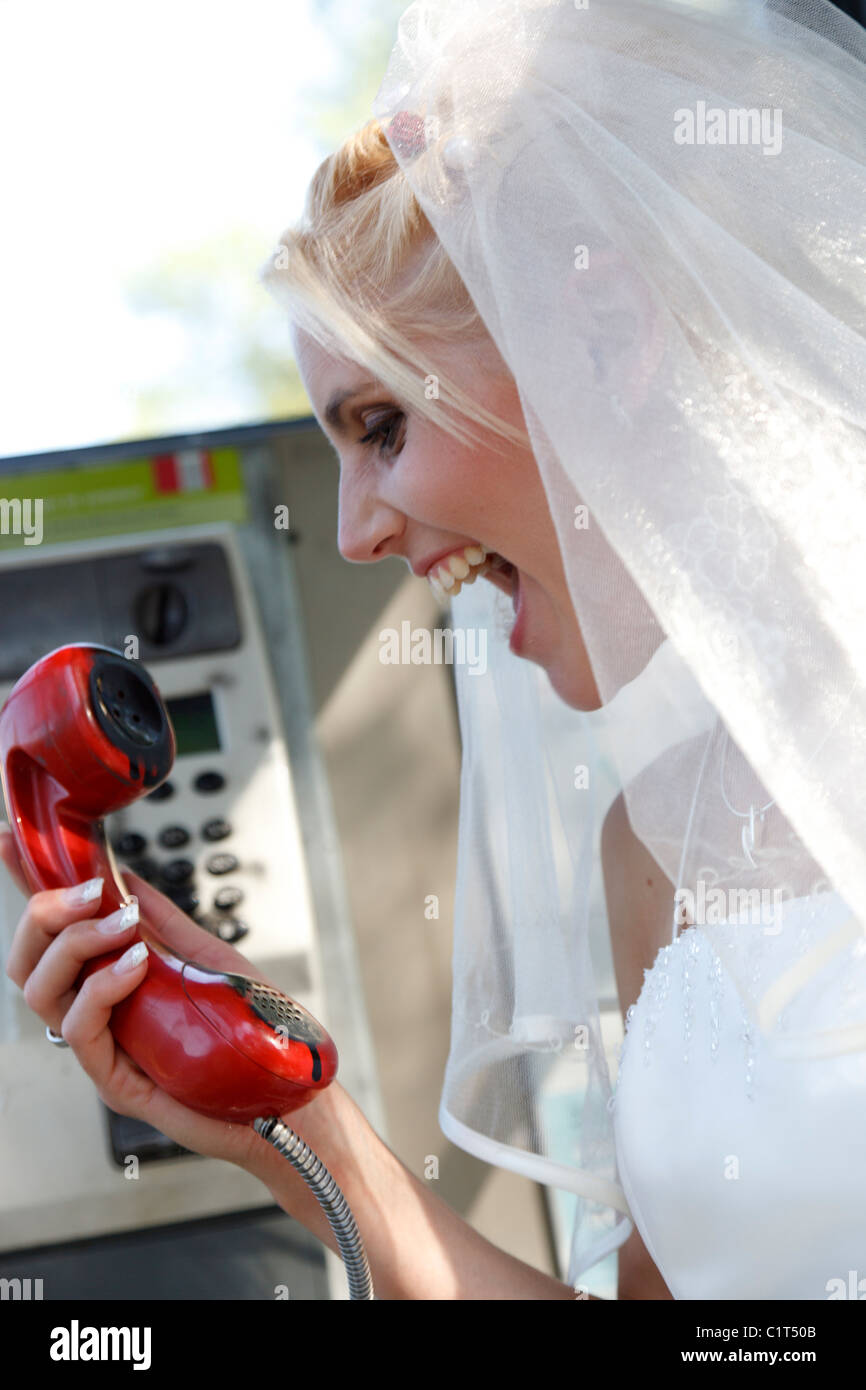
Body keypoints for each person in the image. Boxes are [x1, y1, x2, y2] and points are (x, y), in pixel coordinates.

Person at [4, 0, 866, 1299]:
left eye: (381, 424)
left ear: (603, 338)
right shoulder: (655, 855)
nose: (350, 530)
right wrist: (304, 1129)